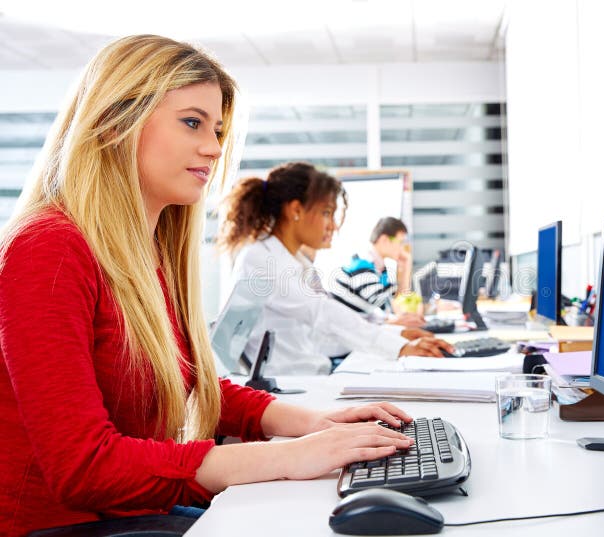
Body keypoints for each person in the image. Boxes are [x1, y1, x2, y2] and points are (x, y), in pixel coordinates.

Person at [0, 35, 415, 537]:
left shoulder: (145, 252)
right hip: (59, 526)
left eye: (216, 129)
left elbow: (196, 385)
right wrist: (284, 458)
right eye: (192, 122)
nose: (215, 148)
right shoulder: (50, 248)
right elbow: (84, 466)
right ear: (115, 123)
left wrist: (315, 424)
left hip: (124, 514)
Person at [217, 163, 453, 376]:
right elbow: (323, 314)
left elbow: (322, 334)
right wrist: (399, 346)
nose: (333, 225)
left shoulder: (296, 261)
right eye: (326, 212)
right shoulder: (260, 258)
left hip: (315, 375)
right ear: (295, 210)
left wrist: (397, 336)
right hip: (292, 387)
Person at [330, 217, 425, 327]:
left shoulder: (378, 268)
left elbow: (397, 298)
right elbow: (387, 308)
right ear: (384, 240)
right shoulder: (362, 265)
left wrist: (406, 267)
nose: (402, 248)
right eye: (400, 242)